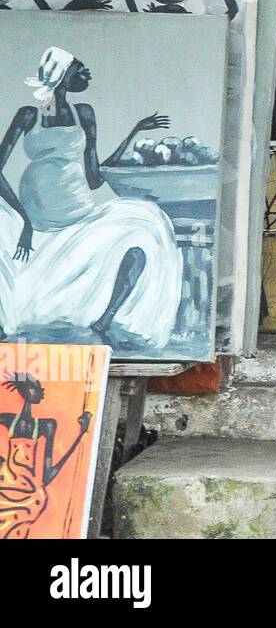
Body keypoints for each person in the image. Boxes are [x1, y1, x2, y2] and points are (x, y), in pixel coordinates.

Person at [0, 47, 183, 348]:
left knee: (144, 224)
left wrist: (133, 132)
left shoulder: (84, 113)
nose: (86, 74)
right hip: (33, 215)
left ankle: (104, 321)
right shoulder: (28, 115)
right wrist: (23, 220)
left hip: (79, 212)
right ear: (61, 75)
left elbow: (95, 178)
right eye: (79, 68)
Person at [0, 373, 92, 539]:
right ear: (24, 390)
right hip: (5, 485)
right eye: (35, 387)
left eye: (40, 388)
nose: (41, 392)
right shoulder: (6, 418)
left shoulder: (46, 425)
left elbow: (47, 474)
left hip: (29, 493)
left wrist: (81, 434)